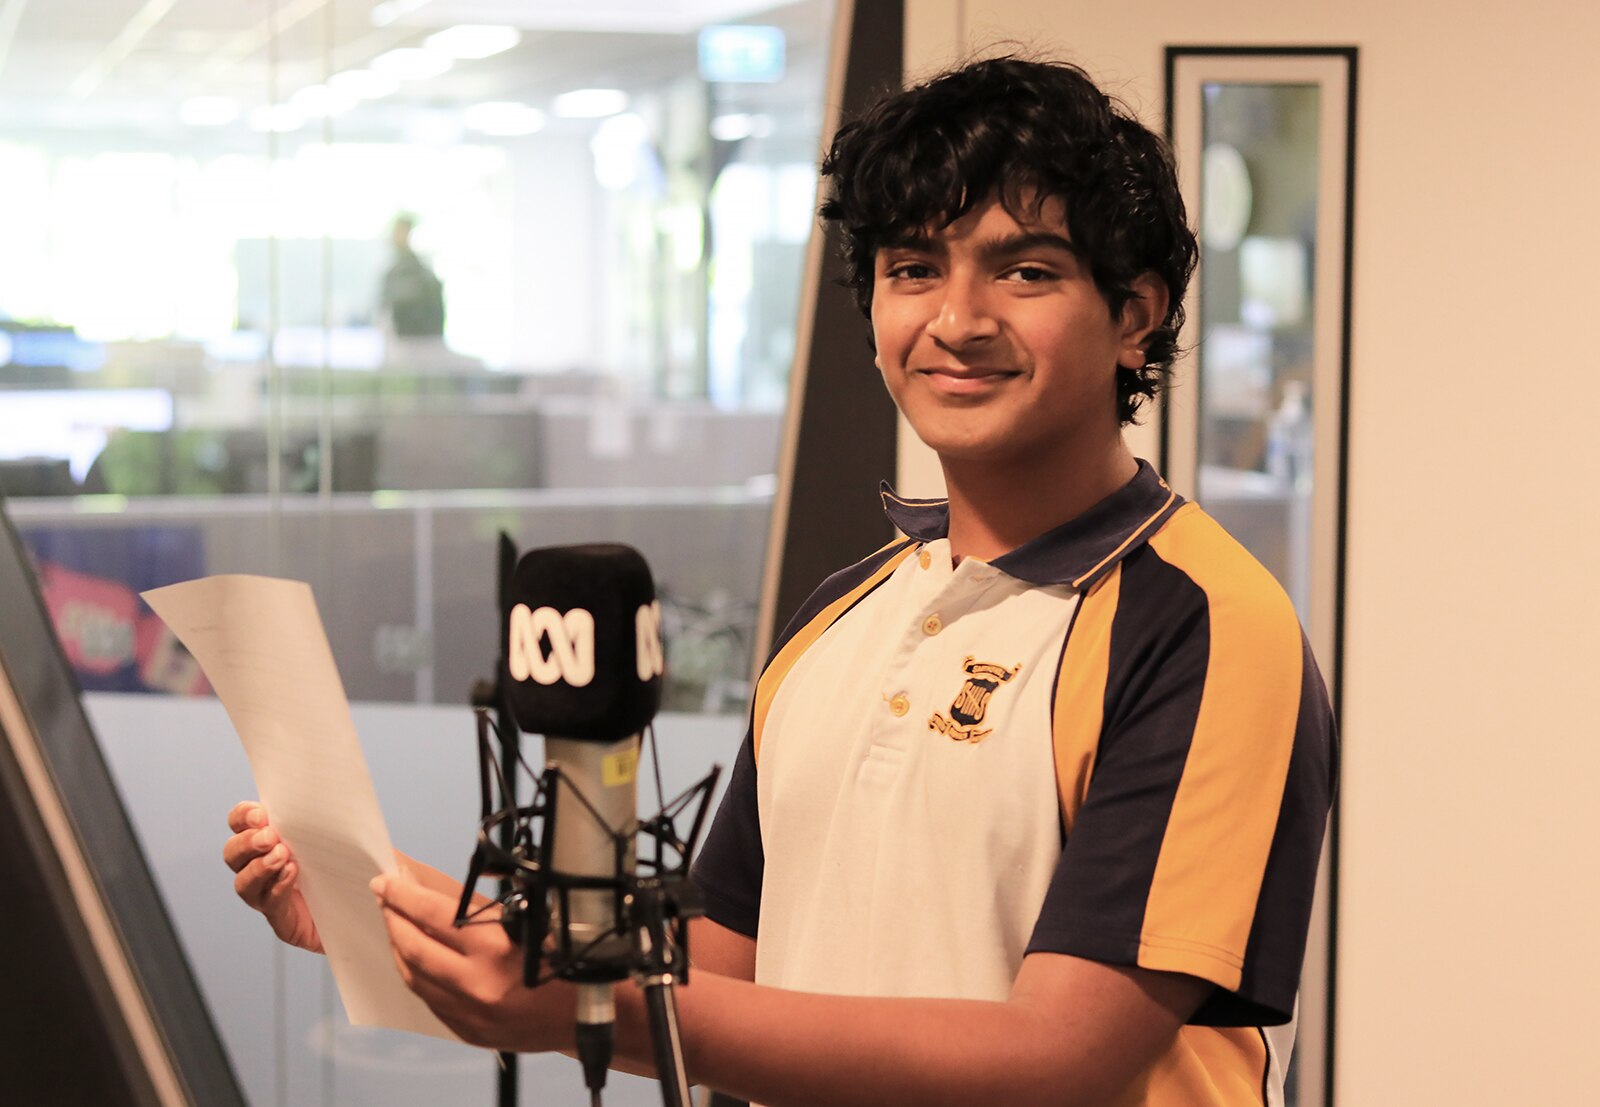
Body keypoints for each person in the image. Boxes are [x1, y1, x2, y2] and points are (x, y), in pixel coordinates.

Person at [225, 56, 1334, 1106]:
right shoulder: (844, 616)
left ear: (1135, 316)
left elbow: (1061, 1057)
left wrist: (583, 1002)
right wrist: (405, 923)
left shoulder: (1197, 623)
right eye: (912, 269)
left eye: (1025, 270)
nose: (956, 319)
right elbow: (713, 978)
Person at [379, 213, 446, 339]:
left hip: (420, 340)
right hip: (401, 340)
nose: (396, 237)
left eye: (401, 232)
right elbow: (384, 308)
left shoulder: (422, 274)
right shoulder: (392, 273)